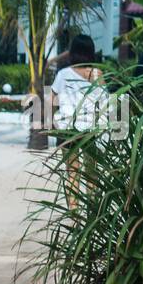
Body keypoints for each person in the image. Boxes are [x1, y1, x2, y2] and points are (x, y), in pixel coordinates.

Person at [49, 34, 109, 207]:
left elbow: (51, 101)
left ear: (72, 52)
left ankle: (74, 213)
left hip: (68, 128)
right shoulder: (98, 73)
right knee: (92, 172)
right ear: (91, 52)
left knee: (72, 172)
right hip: (91, 129)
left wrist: (53, 124)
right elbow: (104, 102)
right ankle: (92, 211)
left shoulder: (63, 74)